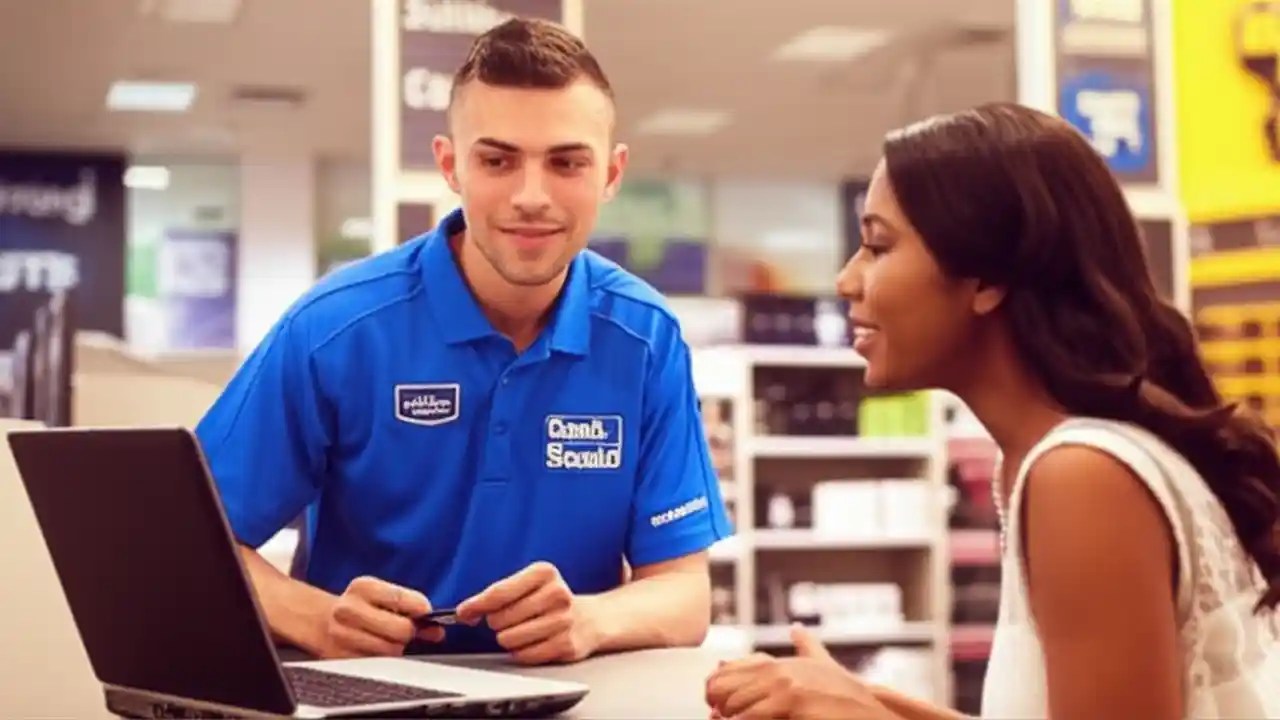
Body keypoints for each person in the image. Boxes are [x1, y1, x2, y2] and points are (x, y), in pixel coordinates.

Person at [705, 102, 1280, 719]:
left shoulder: (1083, 477)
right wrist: (866, 699)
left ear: (985, 279)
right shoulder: (1055, 462)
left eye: (877, 246)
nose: (847, 281)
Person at [196, 16, 732, 665]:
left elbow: (683, 590)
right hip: (374, 698)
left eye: (566, 162)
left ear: (612, 174)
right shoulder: (334, 330)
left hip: (571, 699)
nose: (531, 196)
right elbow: (191, 542)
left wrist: (589, 621)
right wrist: (314, 616)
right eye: (498, 160)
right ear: (450, 165)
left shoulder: (645, 337)